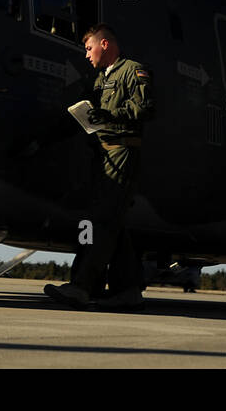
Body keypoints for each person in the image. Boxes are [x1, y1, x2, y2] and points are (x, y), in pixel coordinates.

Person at [45, 24, 154, 312]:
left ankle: (82, 287)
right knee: (112, 221)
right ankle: (128, 291)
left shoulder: (133, 70)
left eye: (89, 48)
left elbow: (145, 108)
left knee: (102, 219)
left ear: (104, 44)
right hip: (103, 154)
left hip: (122, 151)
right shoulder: (100, 79)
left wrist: (108, 114)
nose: (86, 54)